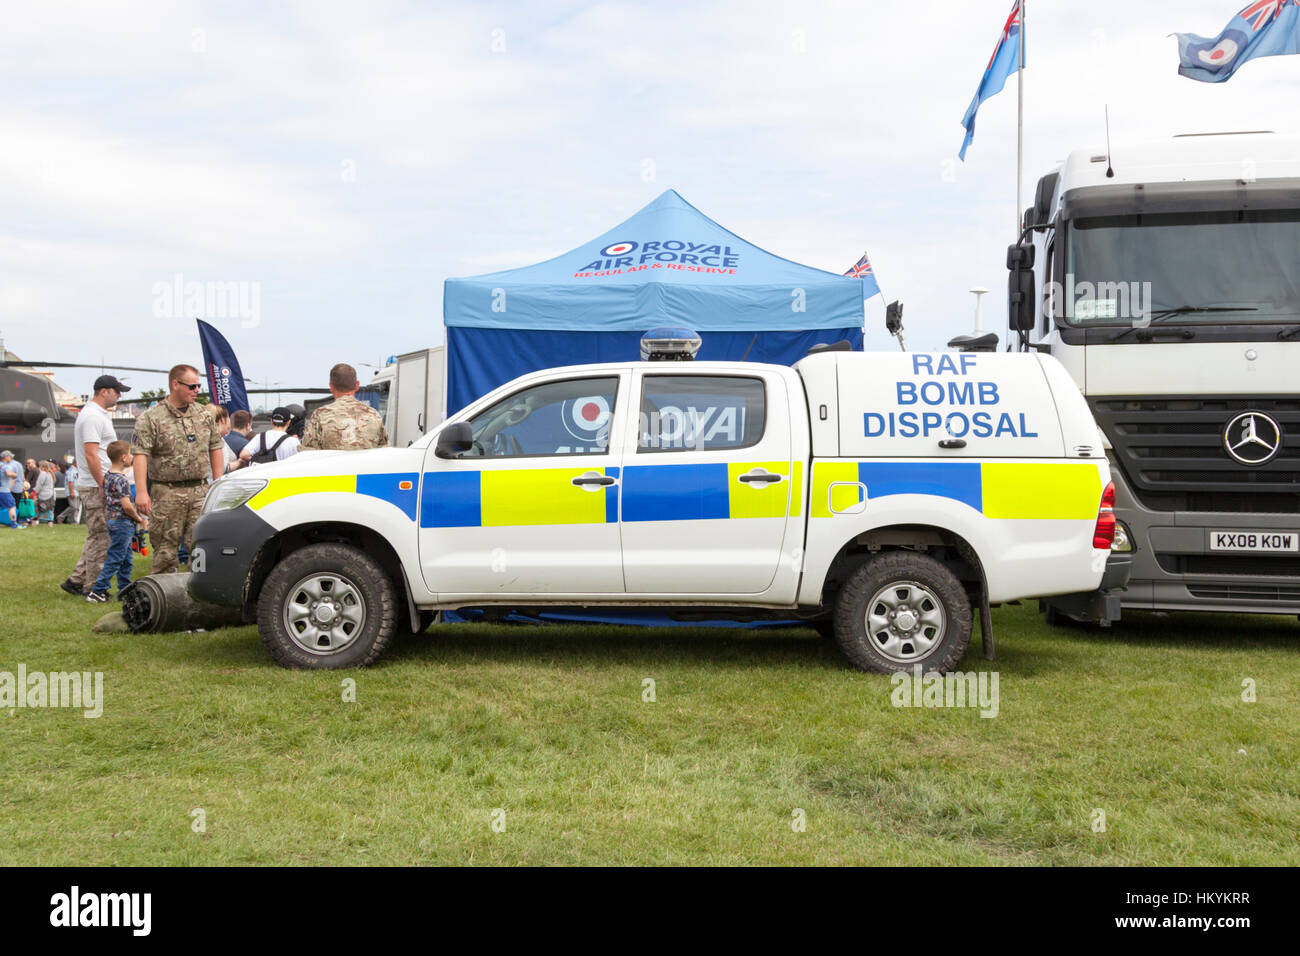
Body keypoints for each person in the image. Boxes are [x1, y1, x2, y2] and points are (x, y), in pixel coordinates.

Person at [132, 364, 224, 575]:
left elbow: (215, 448)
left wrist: (217, 482)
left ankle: (199, 599)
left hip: (200, 491)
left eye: (198, 386)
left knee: (202, 549)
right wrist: (142, 492)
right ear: (175, 384)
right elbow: (140, 455)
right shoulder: (151, 418)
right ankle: (165, 600)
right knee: (165, 551)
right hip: (167, 492)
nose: (196, 391)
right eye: (192, 386)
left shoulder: (203, 415)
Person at [61, 376, 127, 594]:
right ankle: (94, 587)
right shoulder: (92, 416)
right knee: (102, 537)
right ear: (104, 391)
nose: (119, 395)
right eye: (117, 391)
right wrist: (103, 484)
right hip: (96, 483)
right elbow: (91, 454)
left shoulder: (94, 414)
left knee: (96, 535)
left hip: (95, 481)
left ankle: (77, 580)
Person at [87, 441, 144, 603]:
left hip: (112, 520)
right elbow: (126, 505)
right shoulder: (121, 480)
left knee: (126, 559)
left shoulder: (107, 477)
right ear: (124, 457)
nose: (132, 457)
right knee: (116, 558)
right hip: (123, 523)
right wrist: (139, 518)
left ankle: (125, 590)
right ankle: (98, 591)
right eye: (131, 454)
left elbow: (105, 498)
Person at [299, 363, 389, 450]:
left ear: (331, 386)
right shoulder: (373, 415)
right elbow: (384, 451)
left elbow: (308, 453)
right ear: (357, 385)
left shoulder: (320, 415)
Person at [237, 407, 301, 466]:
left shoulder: (260, 437)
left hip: (265, 476)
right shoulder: (294, 441)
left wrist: (257, 459)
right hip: (283, 476)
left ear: (271, 421)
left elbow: (243, 455)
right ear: (288, 422)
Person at [207, 405, 238, 476]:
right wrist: (240, 462)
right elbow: (223, 467)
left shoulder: (203, 436)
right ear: (223, 420)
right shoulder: (217, 440)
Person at [0, 450, 22, 529]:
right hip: (4, 491)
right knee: (12, 507)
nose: (11, 458)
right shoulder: (6, 466)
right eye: (10, 456)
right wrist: (14, 475)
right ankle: (14, 524)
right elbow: (8, 473)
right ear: (6, 457)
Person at [60, 459, 83, 525]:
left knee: (77, 508)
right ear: (75, 463)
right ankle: (61, 517)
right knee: (73, 507)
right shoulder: (71, 471)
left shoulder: (77, 471)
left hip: (78, 491)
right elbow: (70, 482)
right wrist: (72, 492)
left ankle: (75, 521)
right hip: (73, 491)